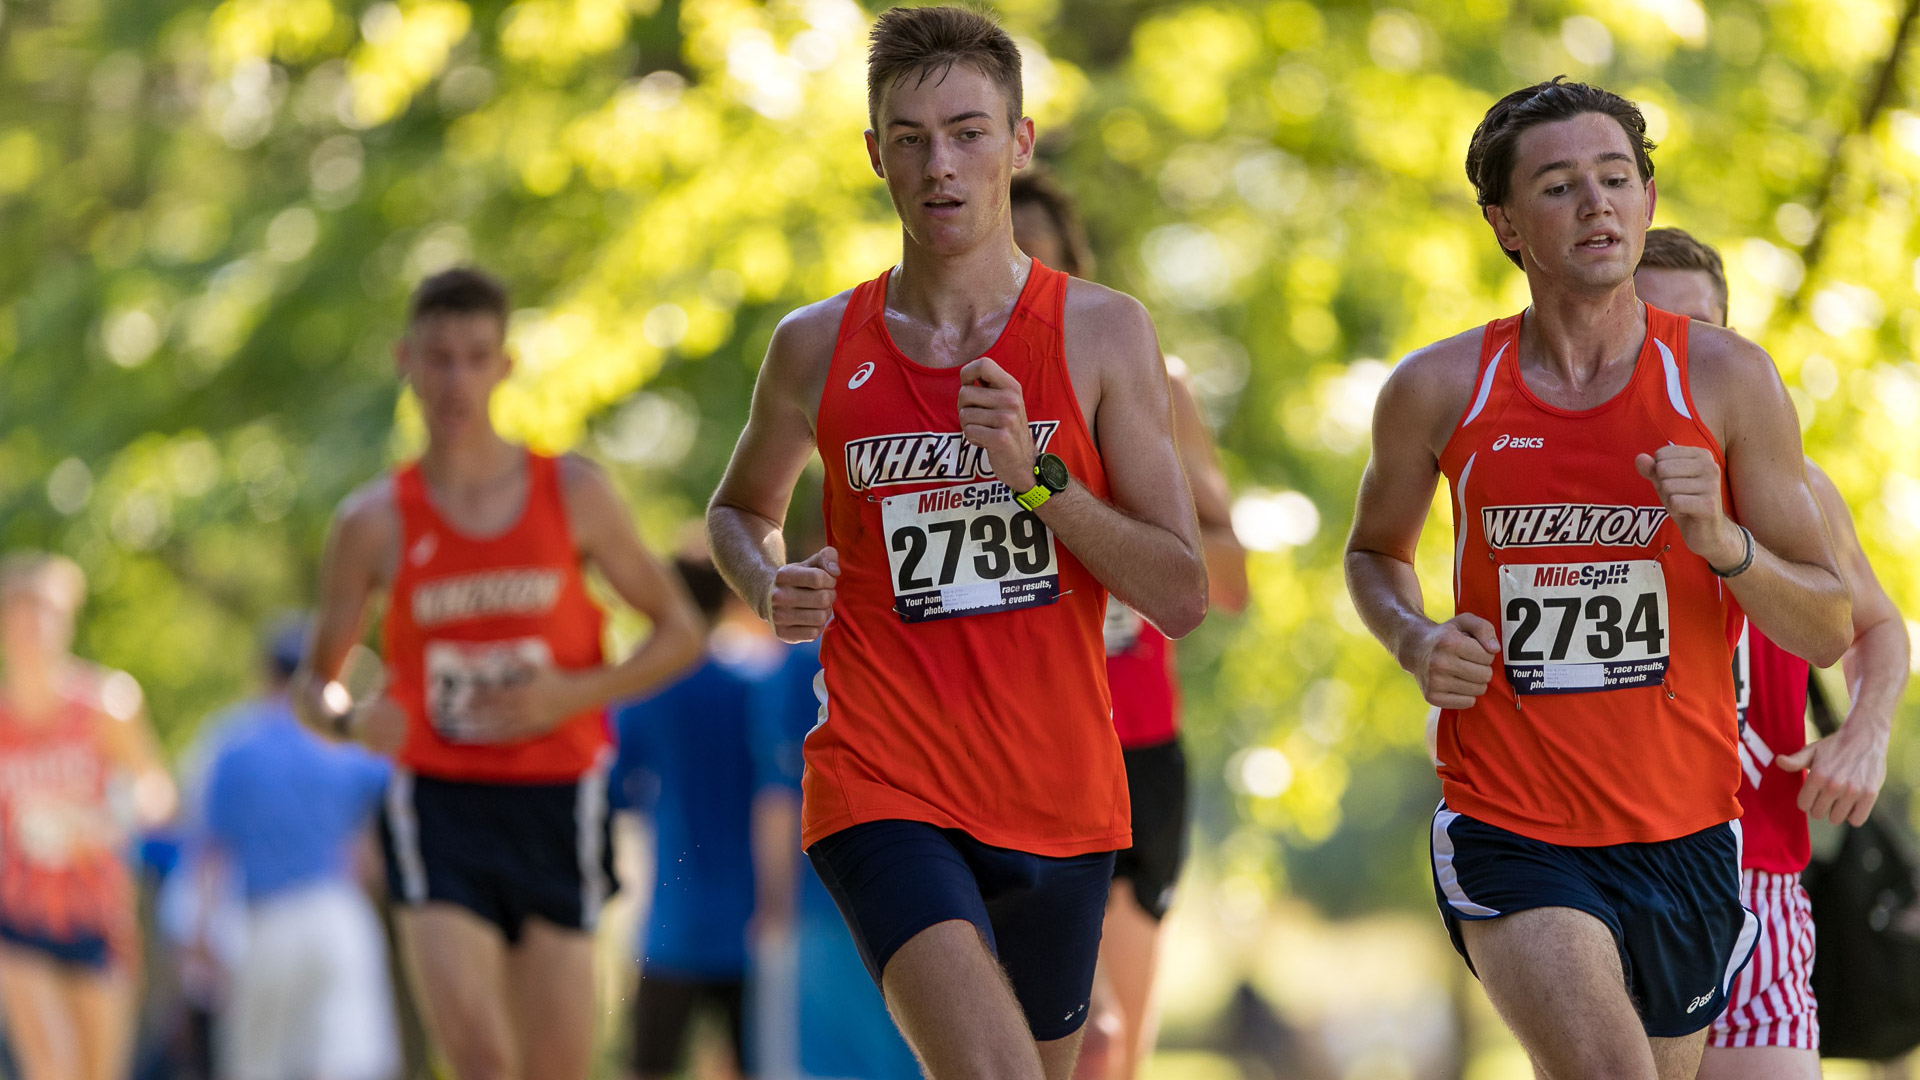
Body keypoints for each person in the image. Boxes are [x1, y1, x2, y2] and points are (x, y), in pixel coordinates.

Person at [705, 7, 1208, 1079]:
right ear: (875, 152)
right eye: (912, 137)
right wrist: (768, 580)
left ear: (1018, 145)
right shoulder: (813, 346)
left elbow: (1180, 592)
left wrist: (1038, 479)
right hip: (882, 783)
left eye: (970, 132)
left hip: (1063, 797)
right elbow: (736, 511)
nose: (942, 165)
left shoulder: (1102, 332)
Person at [1345, 78, 1852, 1080]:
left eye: (1617, 179)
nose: (1598, 206)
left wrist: (1724, 543)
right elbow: (1374, 554)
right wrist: (1414, 638)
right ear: (1504, 223)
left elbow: (1829, 624)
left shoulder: (1727, 381)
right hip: (1510, 821)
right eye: (1561, 185)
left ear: (1649, 200)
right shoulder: (1440, 389)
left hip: (1691, 835)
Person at [293, 267, 704, 1080]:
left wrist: (571, 694)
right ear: (404, 359)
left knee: (555, 1066)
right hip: (438, 800)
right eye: (437, 357)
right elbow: (314, 686)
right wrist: (349, 720)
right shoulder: (371, 522)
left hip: (558, 795)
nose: (455, 379)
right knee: (480, 1060)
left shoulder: (574, 493)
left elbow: (681, 634)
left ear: (504, 365)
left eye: (475, 356)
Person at [1632, 226, 1910, 1079]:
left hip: (1762, 873)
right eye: (1653, 329)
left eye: (1703, 331)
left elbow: (1877, 627)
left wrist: (1865, 733)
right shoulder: (1560, 485)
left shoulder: (1796, 488)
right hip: (1611, 875)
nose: (1681, 354)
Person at [1010, 169, 1249, 1080]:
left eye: (1044, 262)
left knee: (1112, 1045)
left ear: (1078, 273)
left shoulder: (1154, 383)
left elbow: (1225, 582)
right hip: (998, 734)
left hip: (1132, 730)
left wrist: (1131, 521)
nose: (1022, 281)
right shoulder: (928, 392)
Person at [199, 615, 400, 1080]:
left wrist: (204, 933)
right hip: (337, 914)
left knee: (259, 1063)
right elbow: (374, 842)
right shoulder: (347, 748)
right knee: (348, 1060)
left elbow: (211, 852)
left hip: (264, 922)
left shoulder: (233, 747)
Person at [0, 552, 176, 1080]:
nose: (35, 625)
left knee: (99, 1072)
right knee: (51, 1068)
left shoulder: (107, 704)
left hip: (100, 914)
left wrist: (104, 824)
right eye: (22, 611)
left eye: (47, 610)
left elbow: (157, 791)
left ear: (68, 618)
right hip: (19, 915)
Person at [609, 556, 763, 1080]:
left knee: (649, 1067)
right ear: (724, 600)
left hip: (671, 925)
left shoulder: (644, 692)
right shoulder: (754, 688)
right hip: (753, 921)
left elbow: (611, 792)